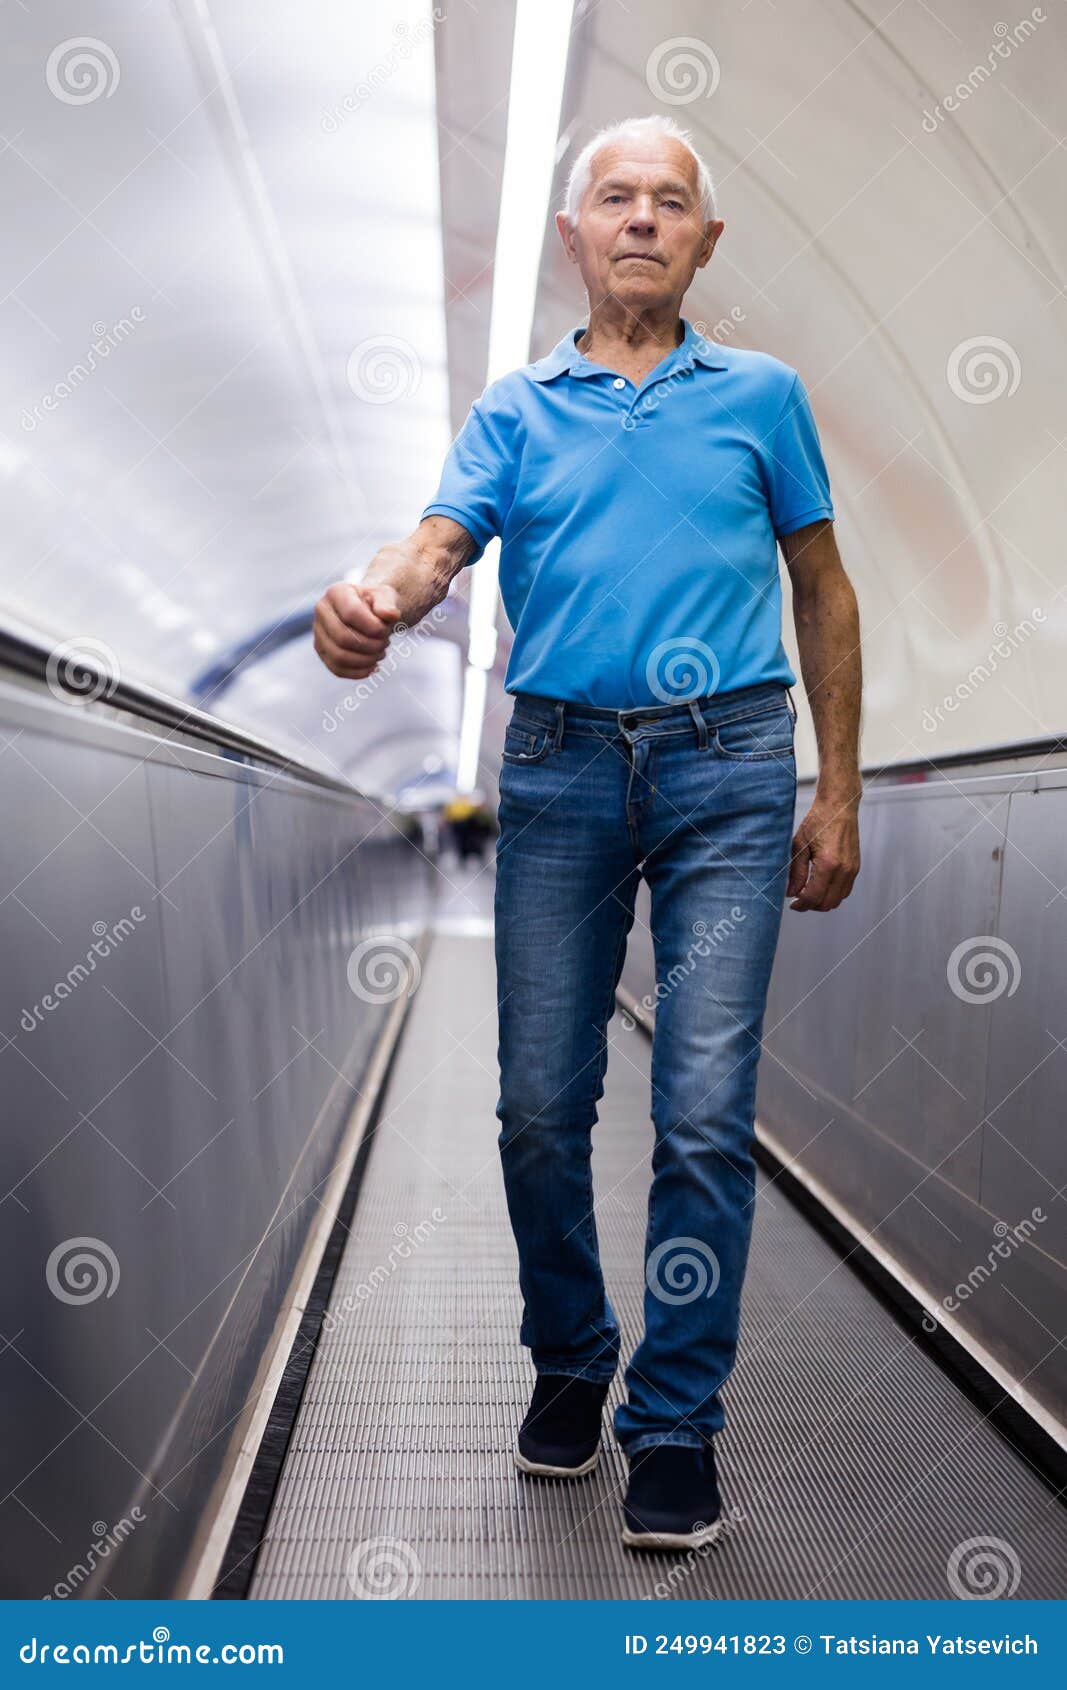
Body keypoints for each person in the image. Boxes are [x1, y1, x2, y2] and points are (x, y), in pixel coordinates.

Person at [312, 114, 862, 1551]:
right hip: (557, 769)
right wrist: (372, 597)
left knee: (700, 1111)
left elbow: (827, 591)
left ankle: (674, 1422)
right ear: (572, 235)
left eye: (668, 201)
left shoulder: (765, 398)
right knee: (541, 1110)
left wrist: (839, 787)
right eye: (613, 198)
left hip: (730, 768)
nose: (639, 219)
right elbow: (433, 546)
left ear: (705, 239)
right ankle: (570, 1355)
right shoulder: (515, 410)